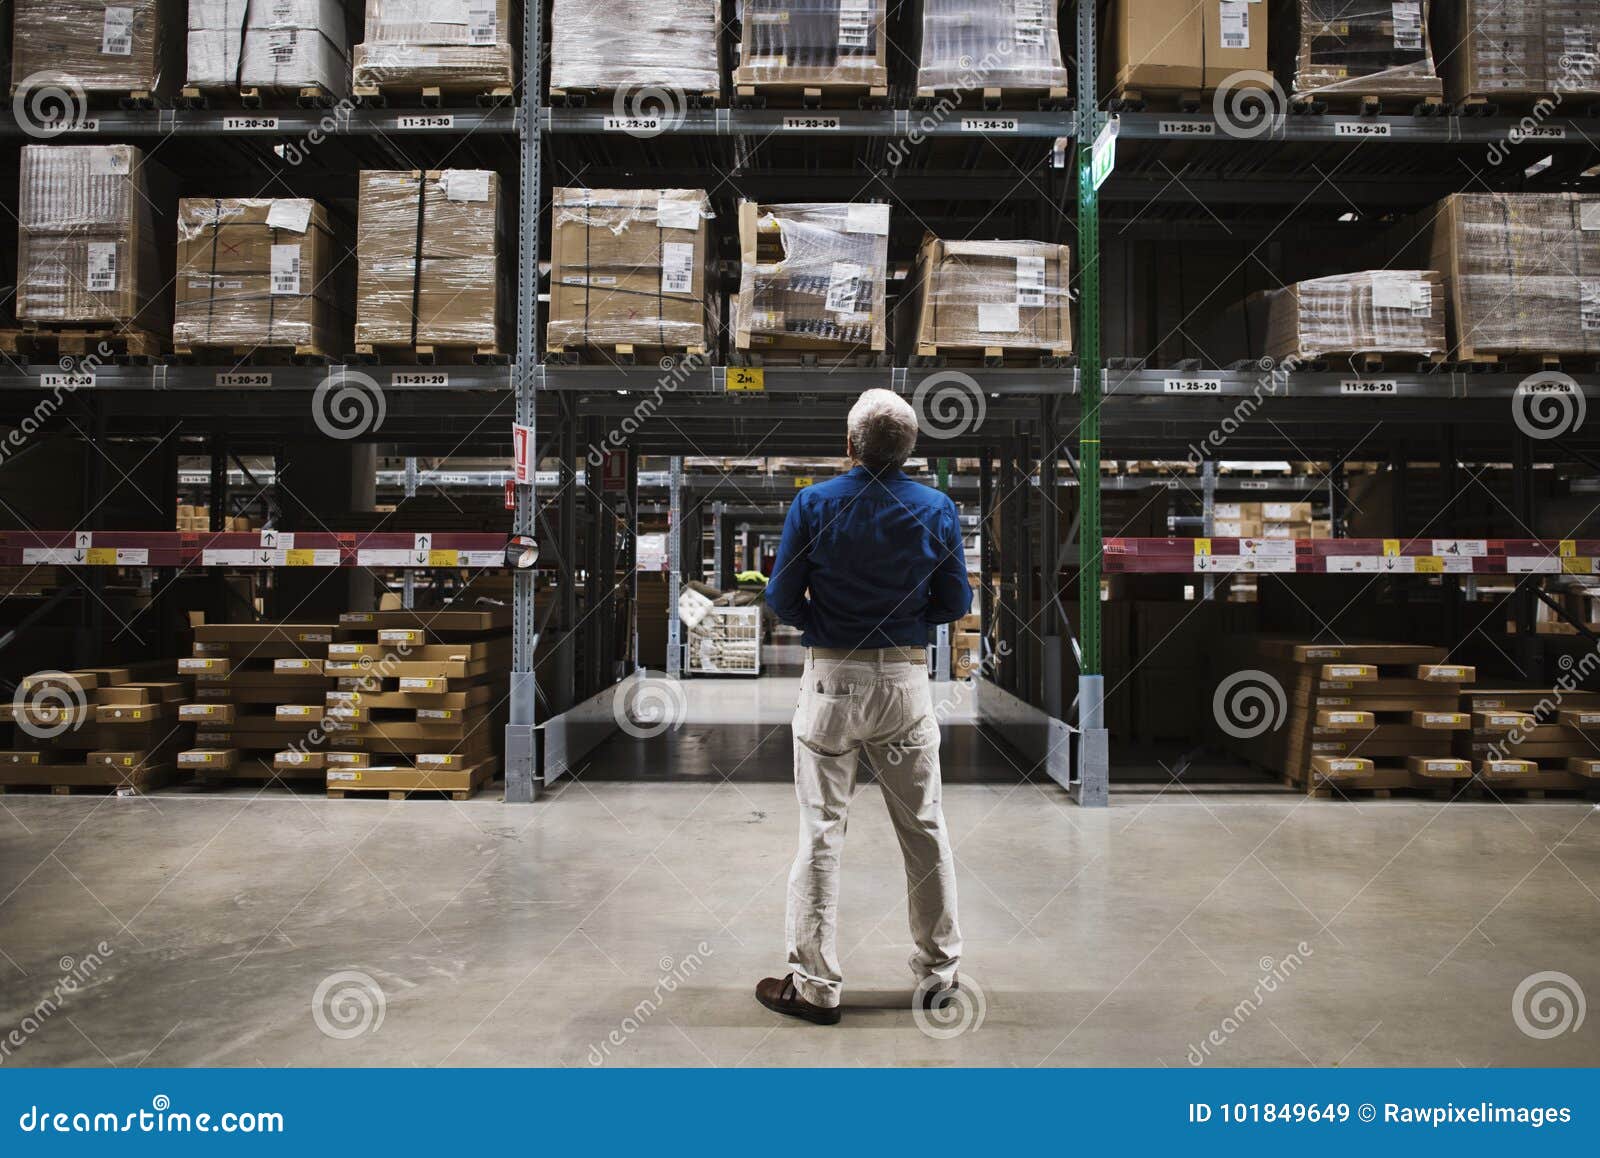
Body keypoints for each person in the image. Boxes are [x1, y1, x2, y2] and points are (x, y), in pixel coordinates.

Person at [756, 388, 971, 1025]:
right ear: (911, 450)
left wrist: (827, 621)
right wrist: (904, 621)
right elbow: (954, 602)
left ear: (848, 445)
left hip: (831, 679)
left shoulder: (813, 503)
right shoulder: (937, 507)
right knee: (925, 828)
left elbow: (782, 597)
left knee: (821, 831)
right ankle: (939, 976)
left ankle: (816, 987)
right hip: (905, 679)